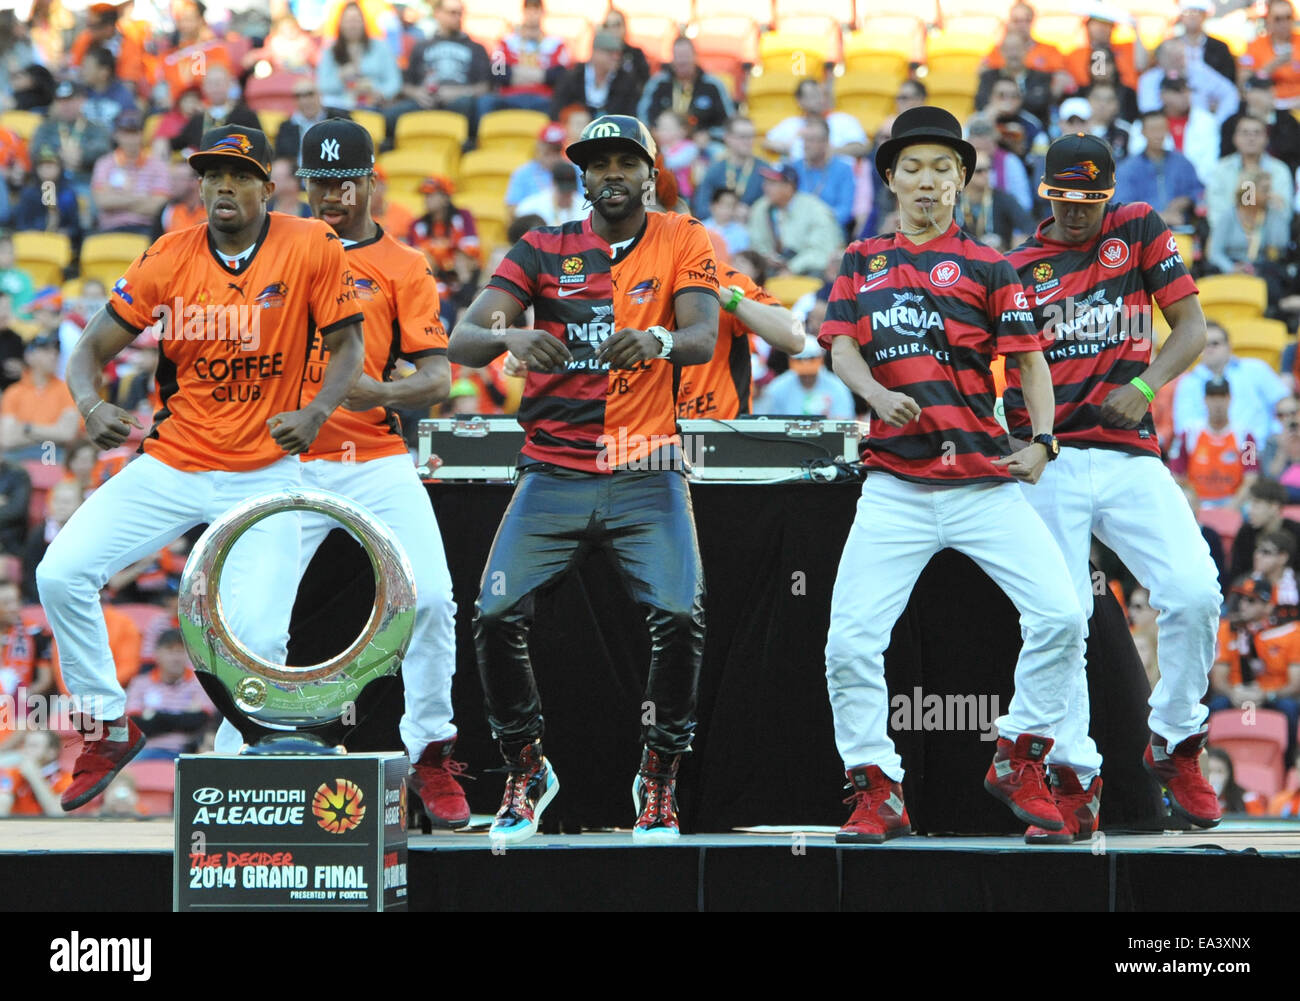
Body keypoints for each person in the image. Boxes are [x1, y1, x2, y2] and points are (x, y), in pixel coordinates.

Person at [34, 124, 364, 811]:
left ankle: (230, 786)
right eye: (213, 174)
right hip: (175, 460)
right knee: (59, 571)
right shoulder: (169, 254)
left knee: (257, 638)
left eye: (239, 175)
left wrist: (317, 411)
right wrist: (90, 403)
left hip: (268, 469)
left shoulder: (309, 245)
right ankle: (104, 722)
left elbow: (349, 350)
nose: (224, 186)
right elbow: (87, 350)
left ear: (268, 188)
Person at [448, 114, 720, 843]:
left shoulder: (684, 238)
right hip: (553, 468)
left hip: (648, 464)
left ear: (651, 171)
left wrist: (659, 338)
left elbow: (702, 335)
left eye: (626, 161)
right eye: (597, 164)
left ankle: (659, 774)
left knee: (682, 613)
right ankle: (525, 763)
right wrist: (510, 334)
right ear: (582, 177)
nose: (612, 174)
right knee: (496, 613)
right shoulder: (543, 245)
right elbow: (463, 340)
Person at [820, 105, 1087, 844]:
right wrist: (875, 395)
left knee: (1063, 615)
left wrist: (1044, 442)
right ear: (892, 179)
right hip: (894, 487)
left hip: (983, 481)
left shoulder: (991, 266)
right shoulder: (860, 260)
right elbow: (840, 349)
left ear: (963, 180)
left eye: (943, 167)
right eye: (913, 167)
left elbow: (1030, 362)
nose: (928, 181)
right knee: (849, 643)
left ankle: (1019, 753)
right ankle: (877, 786)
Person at [1005, 132, 1223, 840]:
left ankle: (1177, 739)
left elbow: (1192, 327)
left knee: (1194, 590)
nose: (1078, 213)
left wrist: (1146, 383)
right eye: (1065, 200)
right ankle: (1075, 778)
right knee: (1061, 617)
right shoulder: (1017, 266)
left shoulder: (1136, 229)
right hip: (1053, 454)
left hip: (1130, 449)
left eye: (1089, 200)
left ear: (1108, 193)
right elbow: (996, 369)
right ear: (1046, 194)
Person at [295, 117, 468, 827]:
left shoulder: (405, 264)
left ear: (370, 182)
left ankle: (430, 750)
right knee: (250, 615)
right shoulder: (278, 251)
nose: (331, 196)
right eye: (318, 183)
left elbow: (438, 378)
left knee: (430, 599)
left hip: (372, 452)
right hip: (287, 458)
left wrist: (379, 393)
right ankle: (248, 745)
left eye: (344, 182)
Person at [678, 257, 803, 420]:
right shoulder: (637, 277)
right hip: (654, 432)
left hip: (722, 430)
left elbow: (795, 338)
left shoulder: (719, 275)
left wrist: (724, 296)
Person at [1209, 574, 1300, 765]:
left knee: (1290, 708)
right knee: (1213, 706)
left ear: (1268, 606)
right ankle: (1211, 763)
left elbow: (1295, 683)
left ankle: (1289, 767)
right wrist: (1235, 693)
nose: (1243, 604)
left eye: (1251, 600)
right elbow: (1219, 679)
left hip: (1273, 696)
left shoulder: (1290, 631)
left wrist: (1267, 695)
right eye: (1242, 598)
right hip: (1236, 694)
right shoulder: (1227, 628)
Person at [1173, 321, 1288, 448]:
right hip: (1207, 453)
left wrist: (1277, 435)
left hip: (1258, 451)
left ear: (1229, 346)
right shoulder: (1188, 382)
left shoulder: (1256, 369)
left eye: (1215, 343)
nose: (1210, 348)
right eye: (1204, 345)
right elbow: (1183, 426)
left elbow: (1284, 403)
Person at [124, 628, 215, 761]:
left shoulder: (200, 682)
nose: (176, 658)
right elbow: (136, 725)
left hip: (188, 752)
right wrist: (182, 717)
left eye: (180, 651)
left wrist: (155, 716)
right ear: (157, 653)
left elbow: (201, 720)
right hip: (146, 751)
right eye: (170, 651)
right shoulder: (140, 683)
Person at [747, 162, 842, 280]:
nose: (765, 187)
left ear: (788, 187)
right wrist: (766, 257)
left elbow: (822, 253)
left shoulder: (815, 210)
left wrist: (792, 268)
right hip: (774, 268)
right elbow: (756, 243)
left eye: (772, 183)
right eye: (766, 182)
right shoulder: (761, 207)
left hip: (807, 270)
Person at [1114, 110, 1205, 227]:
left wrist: (1186, 200)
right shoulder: (1128, 168)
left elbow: (1199, 191)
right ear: (1142, 132)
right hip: (1143, 233)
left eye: (1162, 129)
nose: (1158, 134)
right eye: (1152, 129)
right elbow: (1122, 207)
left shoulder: (1182, 162)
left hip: (1181, 230)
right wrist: (1160, 217)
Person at [636, 36, 735, 140]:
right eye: (678, 56)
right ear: (672, 58)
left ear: (695, 56)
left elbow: (729, 124)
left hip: (702, 145)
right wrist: (653, 132)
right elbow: (642, 118)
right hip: (663, 142)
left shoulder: (713, 85)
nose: (682, 61)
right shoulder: (658, 83)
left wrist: (709, 135)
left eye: (686, 56)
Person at [91, 108, 171, 235]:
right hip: (110, 229)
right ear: (116, 134)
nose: (130, 138)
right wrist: (141, 198)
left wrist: (118, 201)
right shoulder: (104, 164)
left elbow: (158, 206)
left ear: (141, 134)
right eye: (125, 133)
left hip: (146, 230)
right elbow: (103, 201)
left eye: (134, 133)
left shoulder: (158, 165)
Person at [483, 0, 570, 117]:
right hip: (509, 98)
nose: (532, 13)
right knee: (486, 101)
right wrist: (543, 75)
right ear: (523, 12)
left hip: (544, 99)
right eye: (529, 9)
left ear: (543, 12)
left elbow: (561, 76)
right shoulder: (506, 41)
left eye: (536, 9)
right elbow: (496, 73)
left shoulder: (556, 43)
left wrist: (516, 73)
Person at [0, 334, 81, 459]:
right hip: (19, 461)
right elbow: (7, 439)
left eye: (56, 352)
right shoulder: (14, 392)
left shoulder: (67, 389)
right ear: (29, 356)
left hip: (54, 457)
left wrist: (27, 428)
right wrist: (51, 434)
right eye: (46, 351)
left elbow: (67, 434)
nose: (54, 356)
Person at [315, 1, 401, 112]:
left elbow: (394, 81)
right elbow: (322, 85)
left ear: (363, 22)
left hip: (375, 106)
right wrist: (340, 78)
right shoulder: (330, 49)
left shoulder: (381, 46)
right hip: (339, 109)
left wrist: (379, 92)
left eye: (356, 20)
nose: (352, 25)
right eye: (348, 21)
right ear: (340, 23)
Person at [763, 78, 868, 161]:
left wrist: (826, 152)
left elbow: (862, 147)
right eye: (812, 96)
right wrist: (787, 147)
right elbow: (766, 142)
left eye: (821, 94)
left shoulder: (844, 120)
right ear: (799, 100)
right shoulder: (790, 124)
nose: (818, 100)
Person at [548, 28, 641, 121]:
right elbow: (557, 111)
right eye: (610, 52)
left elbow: (630, 116)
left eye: (618, 53)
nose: (616, 57)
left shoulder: (626, 81)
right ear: (595, 52)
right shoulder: (572, 77)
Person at [692, 116, 764, 217]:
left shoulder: (764, 170)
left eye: (751, 136)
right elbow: (701, 208)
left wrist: (752, 213)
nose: (748, 141)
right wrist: (727, 213)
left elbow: (772, 210)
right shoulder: (715, 170)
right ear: (727, 138)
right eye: (743, 137)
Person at [1239, 0, 1300, 109]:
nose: (1284, 23)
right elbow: (1244, 83)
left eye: (1288, 17)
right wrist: (1270, 67)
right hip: (1268, 105)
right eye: (1278, 19)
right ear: (1268, 20)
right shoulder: (1255, 45)